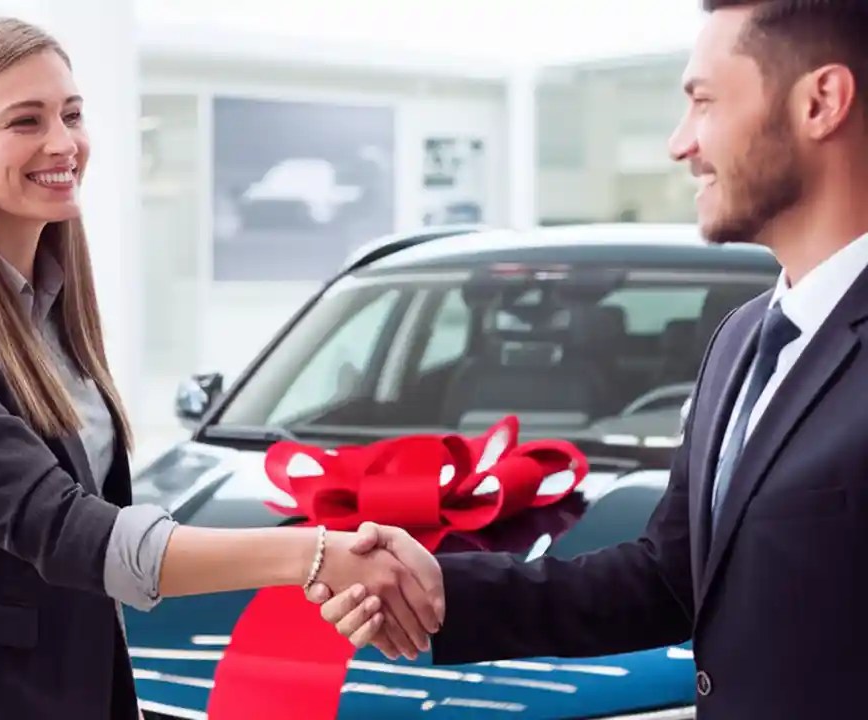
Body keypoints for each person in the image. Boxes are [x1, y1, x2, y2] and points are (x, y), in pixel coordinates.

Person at [0, 16, 444, 720]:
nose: (62, 143)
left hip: (82, 689)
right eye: (25, 121)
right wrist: (314, 556)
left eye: (70, 114)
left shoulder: (53, 302)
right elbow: (61, 529)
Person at [308, 1, 868, 717]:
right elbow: (673, 579)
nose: (679, 143)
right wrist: (443, 587)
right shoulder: (742, 339)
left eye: (702, 102)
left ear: (820, 102)